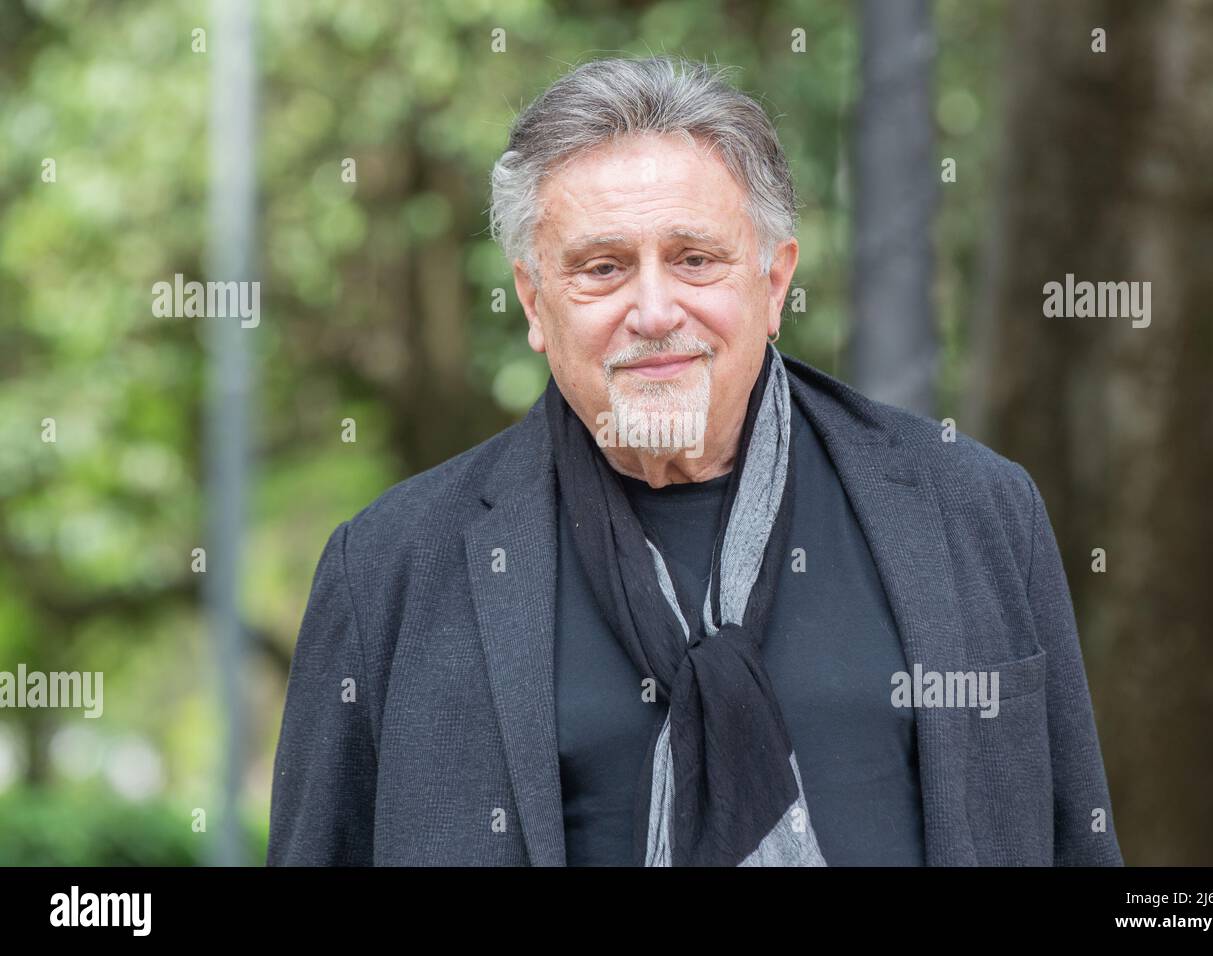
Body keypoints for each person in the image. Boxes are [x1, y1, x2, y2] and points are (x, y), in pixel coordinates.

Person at [267, 55, 1122, 867]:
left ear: (774, 280)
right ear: (534, 301)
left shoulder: (975, 510)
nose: (652, 309)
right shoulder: (388, 571)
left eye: (695, 260)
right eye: (602, 268)